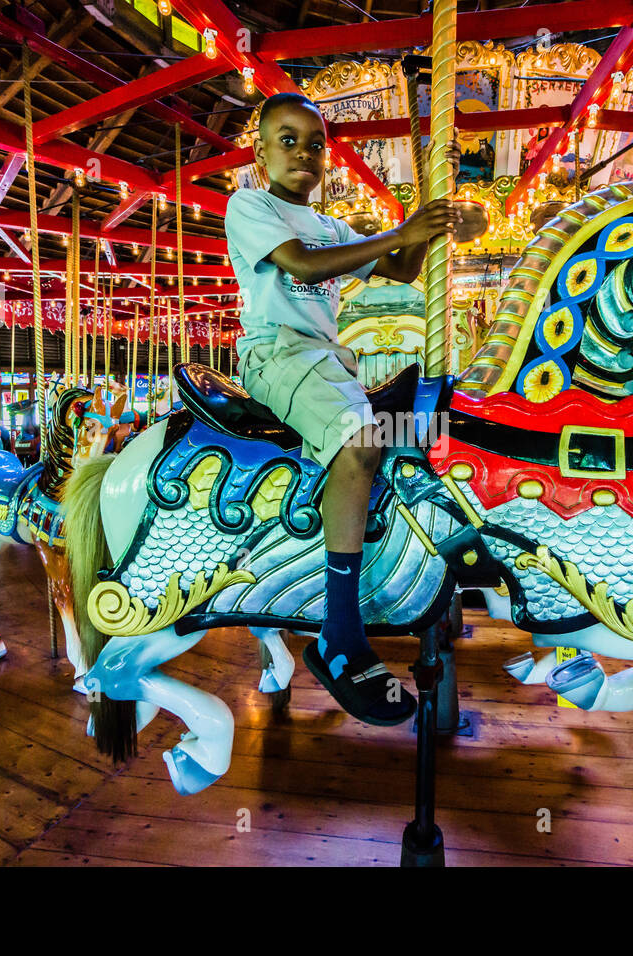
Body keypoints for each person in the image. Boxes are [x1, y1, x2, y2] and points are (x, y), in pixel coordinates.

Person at [224, 91, 460, 726]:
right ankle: (338, 631)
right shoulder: (250, 205)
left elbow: (403, 270)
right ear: (261, 152)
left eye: (315, 144)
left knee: (430, 425)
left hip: (329, 360)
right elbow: (301, 265)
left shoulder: (332, 226)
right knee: (361, 441)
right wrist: (402, 231)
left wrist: (422, 223)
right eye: (288, 140)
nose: (303, 153)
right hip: (277, 353)